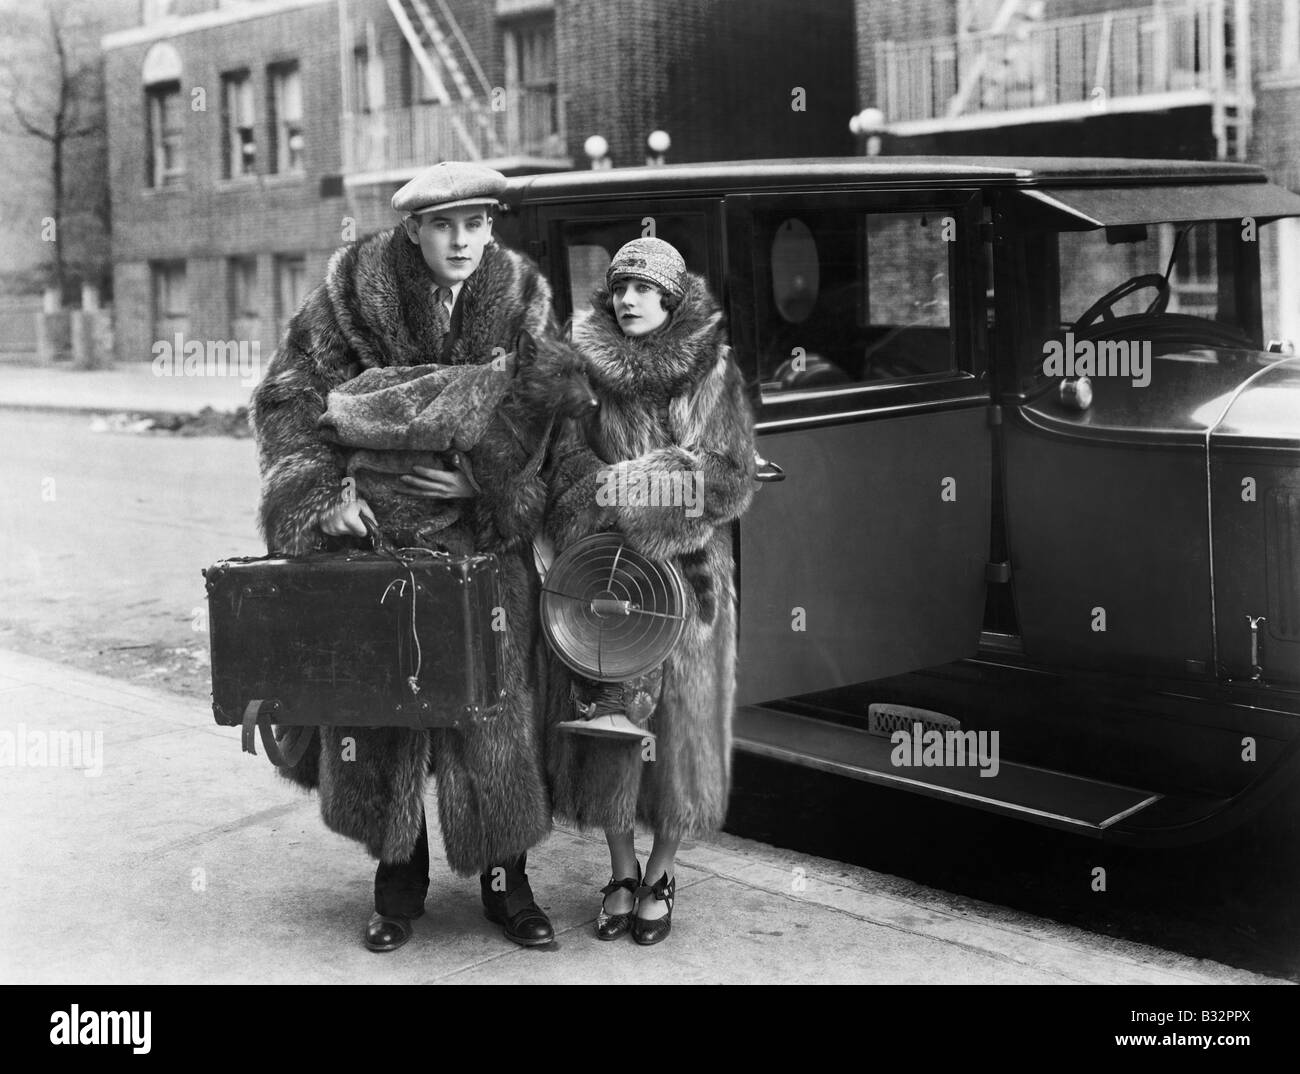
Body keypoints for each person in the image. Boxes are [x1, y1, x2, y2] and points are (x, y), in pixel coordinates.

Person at [249, 161, 556, 953]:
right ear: (412, 228)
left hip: (483, 547)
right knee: (387, 712)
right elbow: (288, 400)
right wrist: (324, 501)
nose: (462, 240)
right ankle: (398, 884)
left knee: (492, 710)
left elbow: (547, 407)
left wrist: (482, 478)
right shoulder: (349, 298)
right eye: (444, 224)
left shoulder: (521, 298)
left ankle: (506, 882)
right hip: (378, 544)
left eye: (477, 223)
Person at [543, 237, 758, 945]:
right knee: (609, 727)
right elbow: (566, 471)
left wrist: (630, 487)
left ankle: (663, 873)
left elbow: (728, 478)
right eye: (620, 288)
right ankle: (621, 870)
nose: (629, 300)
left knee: (680, 737)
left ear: (671, 299)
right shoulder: (585, 373)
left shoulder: (712, 371)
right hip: (605, 583)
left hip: (691, 589)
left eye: (645, 289)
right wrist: (613, 495)